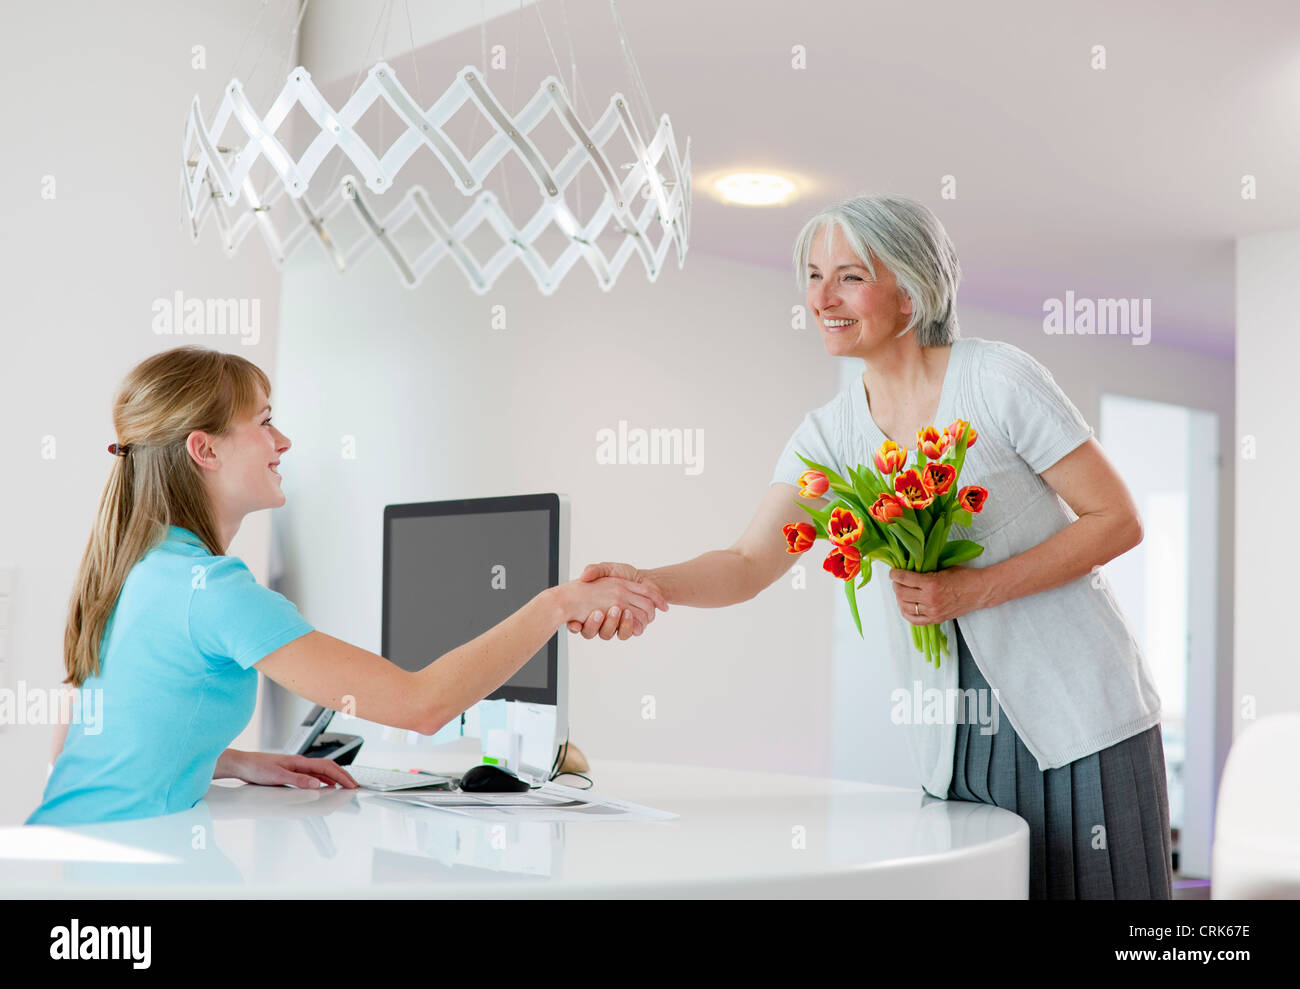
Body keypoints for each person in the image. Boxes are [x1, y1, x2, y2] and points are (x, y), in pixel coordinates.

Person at [567, 194, 1173, 900]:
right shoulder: (828, 435)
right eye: (814, 275)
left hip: (1083, 719)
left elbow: (1117, 518)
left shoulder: (997, 380)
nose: (822, 296)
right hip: (955, 743)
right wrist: (644, 579)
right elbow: (747, 562)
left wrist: (975, 588)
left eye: (849, 276)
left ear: (912, 290)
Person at [28, 346, 666, 826]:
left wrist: (221, 759)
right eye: (265, 422)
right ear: (205, 449)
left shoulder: (141, 561)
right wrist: (556, 603)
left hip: (64, 854)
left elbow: (84, 733)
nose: (283, 442)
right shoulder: (212, 589)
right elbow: (420, 706)